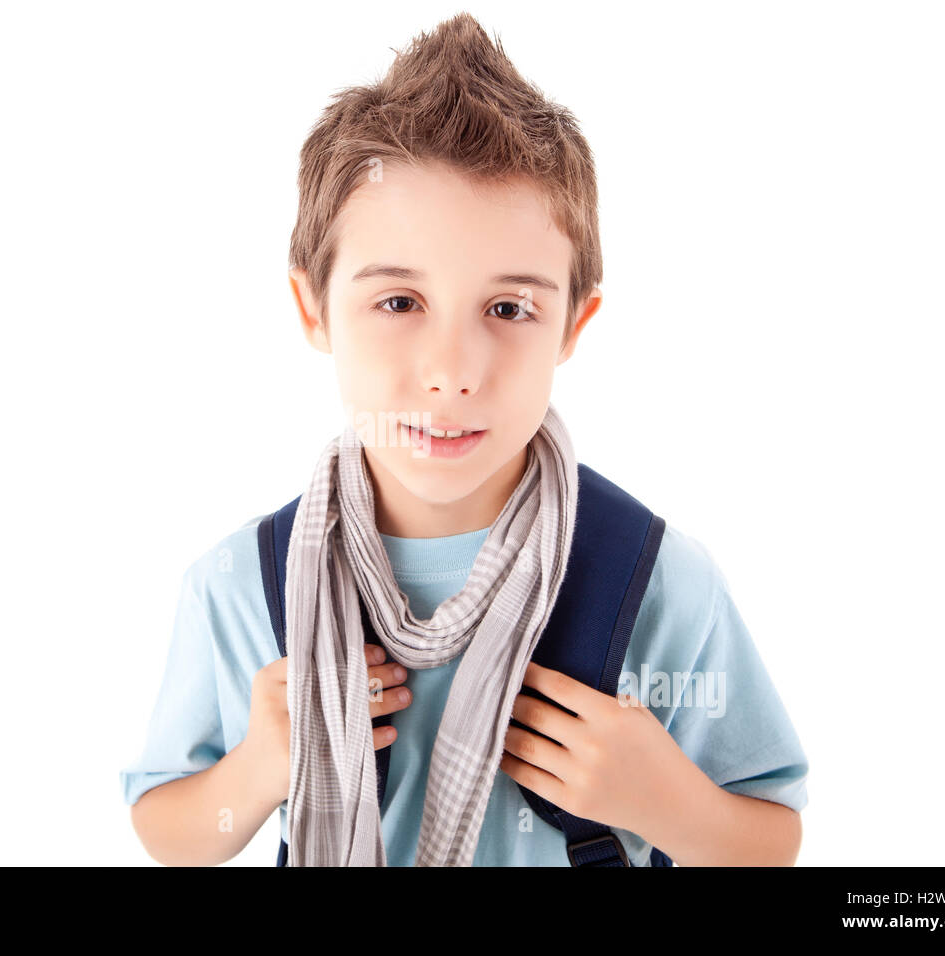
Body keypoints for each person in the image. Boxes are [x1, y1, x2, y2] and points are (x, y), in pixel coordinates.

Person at [120, 12, 808, 866]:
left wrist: (666, 802)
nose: (452, 370)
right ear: (313, 308)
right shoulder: (242, 585)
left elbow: (770, 839)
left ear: (572, 324)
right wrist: (260, 768)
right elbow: (167, 828)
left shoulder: (656, 579)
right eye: (400, 302)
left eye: (509, 308)